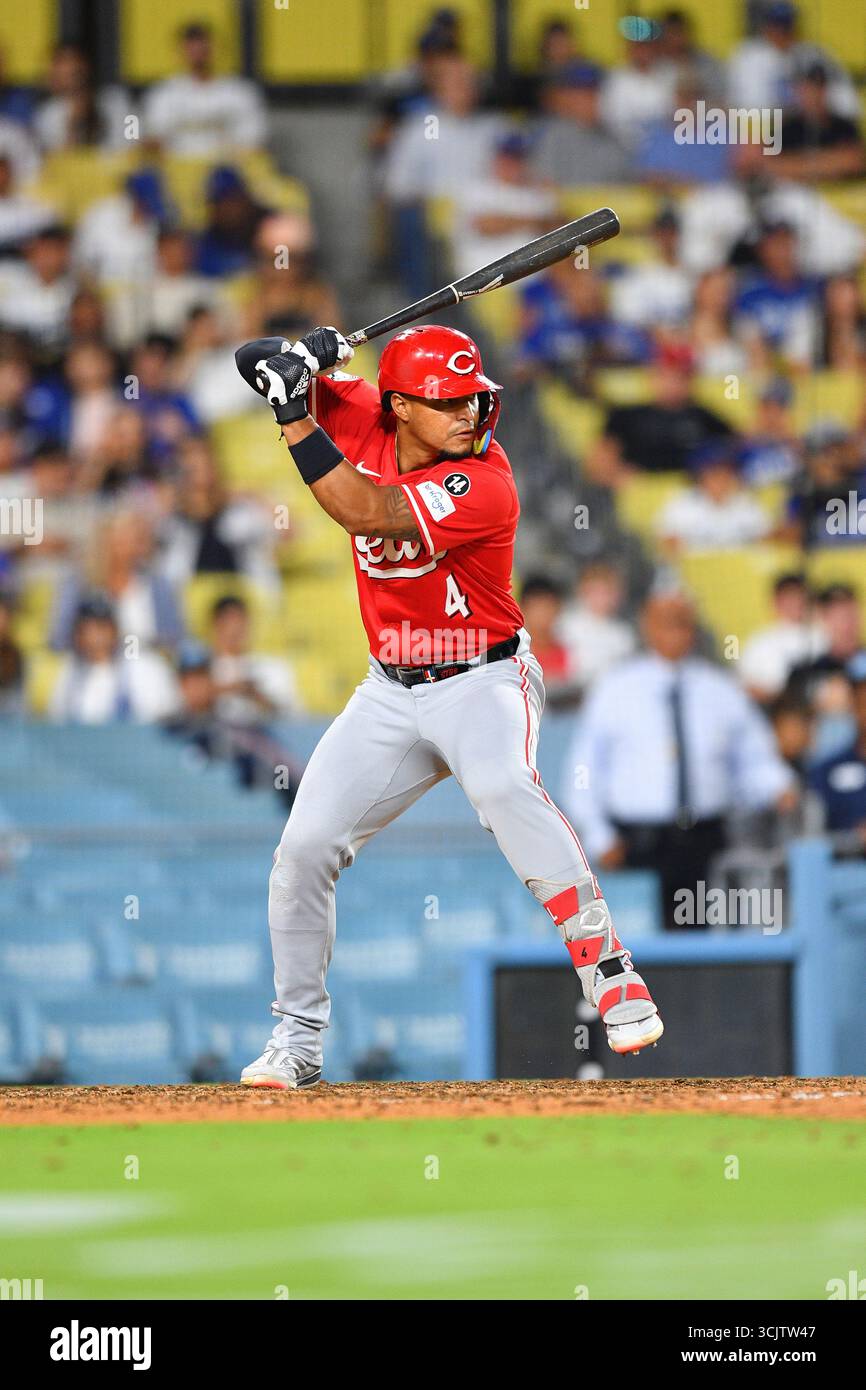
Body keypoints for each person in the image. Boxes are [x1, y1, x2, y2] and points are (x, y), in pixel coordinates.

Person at [231, 322, 664, 1086]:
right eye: (448, 401)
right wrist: (307, 354)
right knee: (303, 850)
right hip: (389, 689)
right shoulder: (358, 411)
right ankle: (297, 1041)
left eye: (473, 398)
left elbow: (366, 511)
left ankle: (608, 968)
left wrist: (295, 411)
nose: (469, 412)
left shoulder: (485, 479)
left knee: (502, 786)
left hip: (482, 679)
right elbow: (251, 360)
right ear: (398, 405)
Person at [563, 592, 796, 930]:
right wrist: (599, 836)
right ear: (647, 625)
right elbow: (583, 771)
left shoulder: (720, 689)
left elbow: (754, 759)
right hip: (636, 845)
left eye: (682, 622)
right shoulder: (615, 689)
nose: (674, 630)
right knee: (637, 944)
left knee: (705, 941)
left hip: (707, 842)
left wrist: (778, 786)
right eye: (665, 621)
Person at [588, 342, 732, 482]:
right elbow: (598, 463)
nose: (672, 383)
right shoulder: (626, 416)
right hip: (637, 489)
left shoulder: (703, 417)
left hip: (690, 491)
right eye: (666, 375)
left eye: (679, 377)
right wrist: (616, 476)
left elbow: (731, 450)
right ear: (653, 377)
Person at [47, 595, 179, 724]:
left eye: (100, 628)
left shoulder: (145, 668)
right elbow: (58, 722)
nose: (93, 637)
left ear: (115, 631)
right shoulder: (68, 672)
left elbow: (166, 718)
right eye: (85, 630)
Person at [141, 21, 267, 156]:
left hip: (228, 162)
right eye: (191, 46)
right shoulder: (163, 93)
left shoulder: (241, 92)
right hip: (176, 164)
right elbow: (154, 134)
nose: (198, 52)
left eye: (203, 45)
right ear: (180, 50)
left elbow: (254, 136)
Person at [451, 131, 558, 282]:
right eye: (507, 157)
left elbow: (559, 227)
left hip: (534, 279)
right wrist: (536, 221)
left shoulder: (539, 191)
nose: (513, 164)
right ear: (495, 159)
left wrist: (511, 221)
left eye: (519, 158)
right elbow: (488, 226)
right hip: (483, 279)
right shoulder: (476, 189)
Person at [655, 440, 771, 554]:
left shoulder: (747, 503)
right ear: (699, 476)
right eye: (714, 473)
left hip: (740, 565)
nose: (721, 478)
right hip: (696, 565)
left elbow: (767, 539)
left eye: (726, 472)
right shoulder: (681, 504)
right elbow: (667, 544)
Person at [531, 62, 632, 186]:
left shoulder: (615, 138)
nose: (588, 101)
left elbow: (626, 184)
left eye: (593, 94)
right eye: (582, 95)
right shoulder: (552, 136)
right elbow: (544, 184)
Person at [739, 573, 824, 702]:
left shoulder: (821, 637)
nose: (795, 603)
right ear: (776, 601)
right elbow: (745, 686)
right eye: (788, 597)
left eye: (799, 596)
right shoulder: (759, 642)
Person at [808, 654, 866, 845]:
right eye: (862, 700)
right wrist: (852, 839)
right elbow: (811, 833)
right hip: (845, 862)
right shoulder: (826, 770)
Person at [556, 562, 636, 690]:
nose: (602, 598)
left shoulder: (623, 634)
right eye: (596, 592)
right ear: (582, 592)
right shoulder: (565, 624)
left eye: (607, 592)